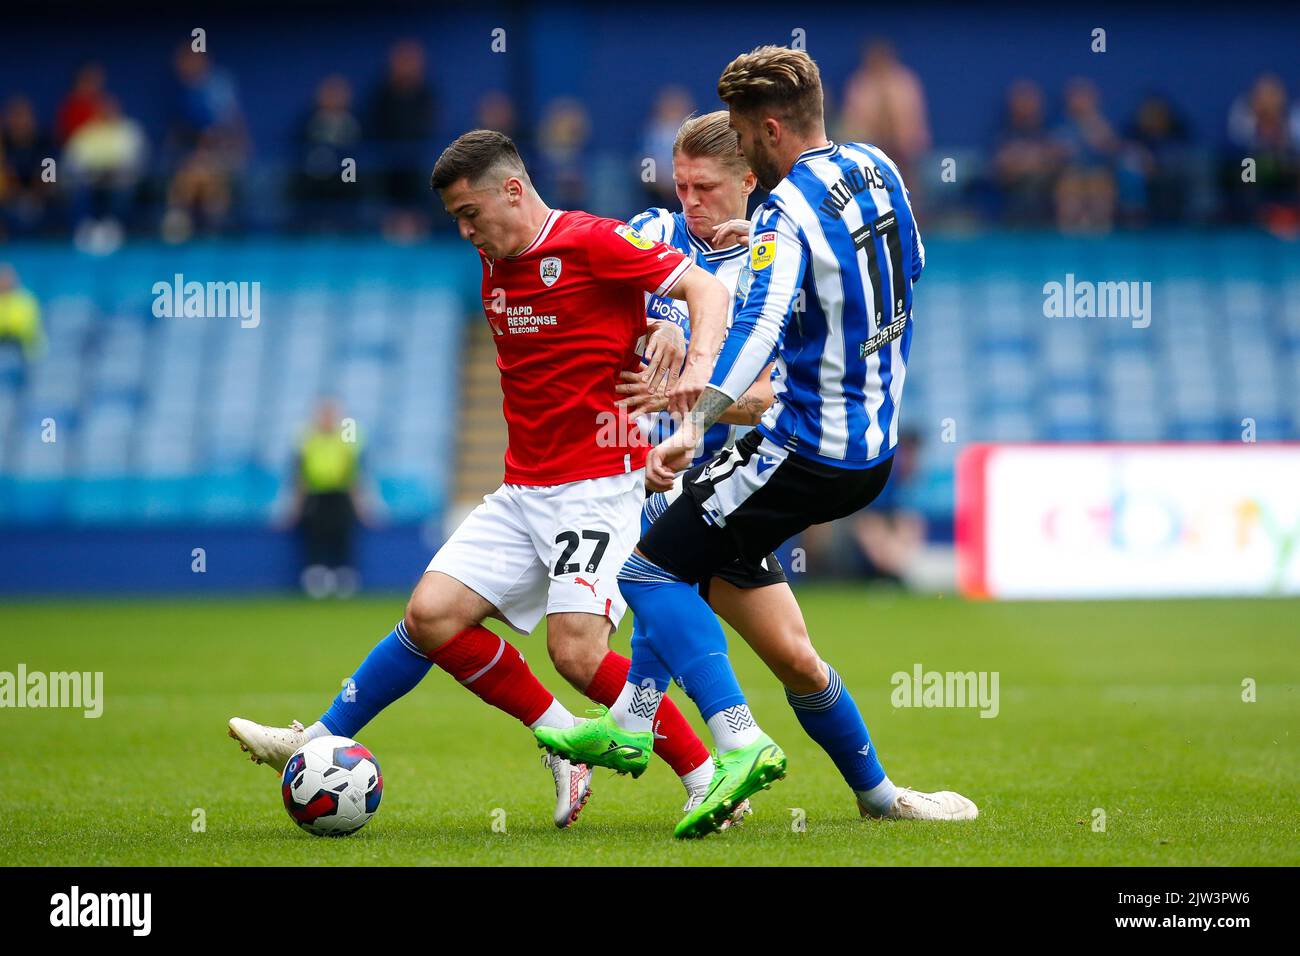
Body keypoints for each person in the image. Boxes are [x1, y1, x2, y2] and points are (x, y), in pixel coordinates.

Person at [229, 129, 732, 829]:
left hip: (596, 484)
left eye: (471, 213)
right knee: (430, 617)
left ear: (514, 190)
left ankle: (709, 777)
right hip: (522, 490)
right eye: (455, 220)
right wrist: (654, 324)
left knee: (577, 652)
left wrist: (693, 363)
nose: (465, 231)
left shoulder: (591, 240)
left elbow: (703, 285)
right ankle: (560, 740)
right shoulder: (496, 265)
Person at [536, 46, 977, 838]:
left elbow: (758, 326)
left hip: (797, 448)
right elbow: (909, 262)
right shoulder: (875, 166)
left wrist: (694, 419)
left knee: (651, 572)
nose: (700, 193)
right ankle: (881, 797)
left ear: (767, 134)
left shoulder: (780, 220)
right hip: (865, 450)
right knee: (790, 652)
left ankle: (729, 743)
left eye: (741, 138)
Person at [283, 398, 376, 598]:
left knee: (342, 536)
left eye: (330, 414)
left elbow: (356, 474)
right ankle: (316, 581)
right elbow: (299, 474)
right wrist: (295, 506)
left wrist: (362, 504)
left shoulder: (349, 436)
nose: (326, 418)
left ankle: (343, 581)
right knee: (316, 538)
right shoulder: (306, 437)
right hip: (316, 496)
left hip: (341, 495)